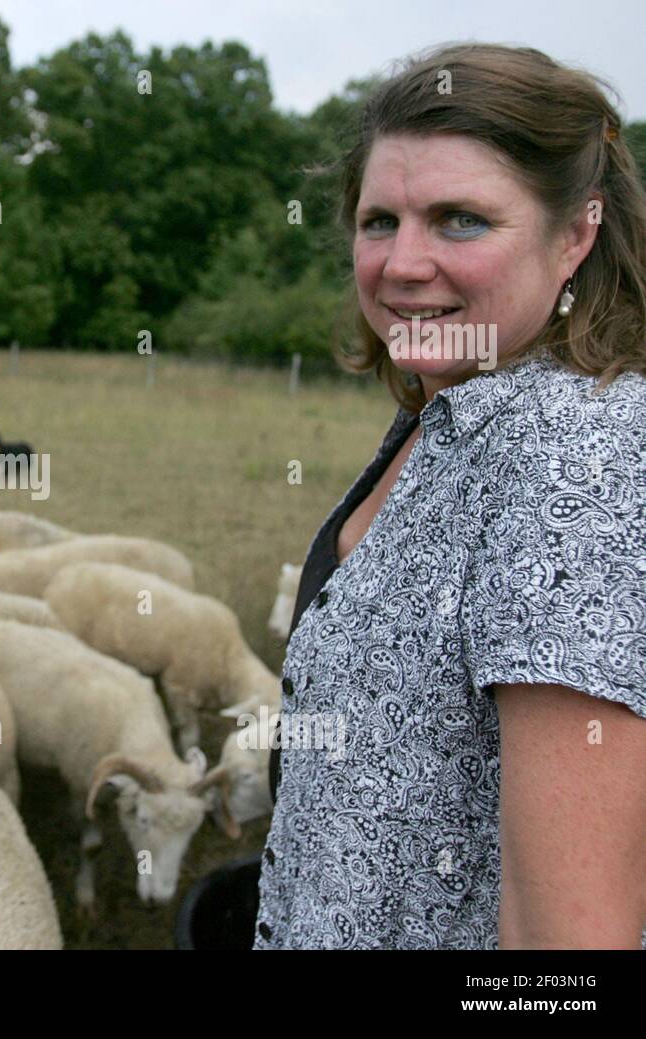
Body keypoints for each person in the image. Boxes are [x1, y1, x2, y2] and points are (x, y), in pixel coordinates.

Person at [255, 42, 646, 949]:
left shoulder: (573, 462)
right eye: (380, 220)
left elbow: (570, 942)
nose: (403, 262)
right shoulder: (452, 414)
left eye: (460, 219)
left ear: (574, 235)